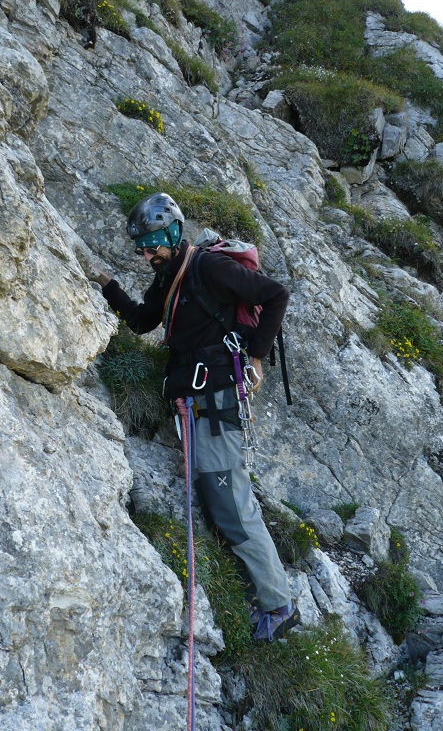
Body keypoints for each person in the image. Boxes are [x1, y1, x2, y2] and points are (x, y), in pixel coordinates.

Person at [93, 192, 299, 641]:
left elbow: (276, 294)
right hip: (196, 403)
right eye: (141, 249)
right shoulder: (170, 277)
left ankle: (278, 604)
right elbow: (144, 321)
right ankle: (267, 594)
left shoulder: (207, 267)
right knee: (221, 498)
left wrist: (257, 357)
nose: (147, 255)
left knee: (231, 502)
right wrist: (107, 284)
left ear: (171, 232)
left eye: (152, 245)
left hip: (218, 401)